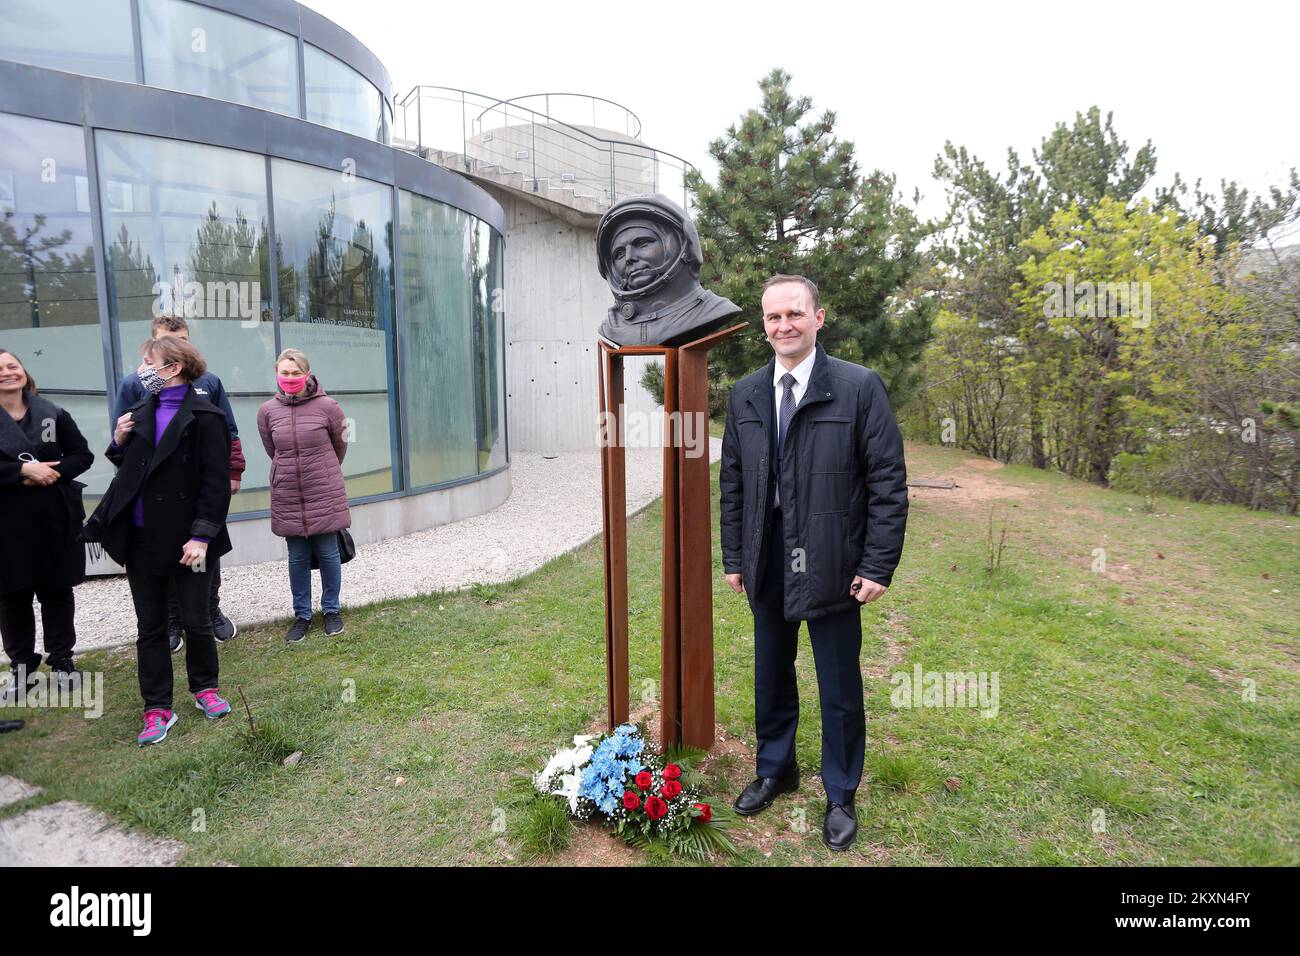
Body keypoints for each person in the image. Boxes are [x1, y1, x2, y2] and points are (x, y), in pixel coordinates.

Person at [719, 275, 909, 851]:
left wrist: (877, 564)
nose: (784, 326)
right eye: (774, 317)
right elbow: (732, 483)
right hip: (767, 560)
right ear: (765, 325)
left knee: (839, 683)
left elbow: (887, 482)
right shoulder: (747, 394)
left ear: (818, 318)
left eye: (795, 314)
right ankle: (776, 769)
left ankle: (841, 791)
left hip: (833, 560)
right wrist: (734, 556)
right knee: (770, 673)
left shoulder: (857, 388)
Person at [84, 335, 233, 746]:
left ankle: (205, 689)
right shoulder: (138, 410)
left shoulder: (207, 417)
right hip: (141, 538)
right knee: (149, 627)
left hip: (189, 540)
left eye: (151, 363)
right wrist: (117, 440)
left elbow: (215, 485)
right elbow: (128, 465)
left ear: (175, 367)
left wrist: (202, 536)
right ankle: (157, 708)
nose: (143, 371)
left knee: (196, 619)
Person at [114, 313, 245, 651]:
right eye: (168, 340)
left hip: (197, 492)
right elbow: (128, 442)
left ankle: (208, 611)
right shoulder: (133, 384)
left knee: (203, 552)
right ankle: (173, 622)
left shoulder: (209, 382)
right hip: (154, 496)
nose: (178, 345)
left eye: (184, 339)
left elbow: (228, 431)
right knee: (162, 557)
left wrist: (233, 472)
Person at [0, 348, 94, 702]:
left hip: (55, 517)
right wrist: (23, 470)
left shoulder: (52, 413)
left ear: (24, 371)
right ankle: (22, 669)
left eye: (13, 366)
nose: (8, 372)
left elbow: (82, 455)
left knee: (57, 593)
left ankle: (62, 662)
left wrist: (51, 472)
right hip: (7, 525)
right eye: (1, 369)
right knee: (12, 599)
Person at [257, 349, 350, 643]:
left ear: (307, 374)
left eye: (296, 373)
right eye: (285, 373)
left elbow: (340, 447)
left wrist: (321, 470)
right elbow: (273, 450)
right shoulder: (267, 411)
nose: (290, 378)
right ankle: (302, 615)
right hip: (287, 492)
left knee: (327, 551)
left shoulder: (329, 407)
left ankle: (331, 611)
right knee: (297, 556)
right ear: (277, 375)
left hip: (323, 489)